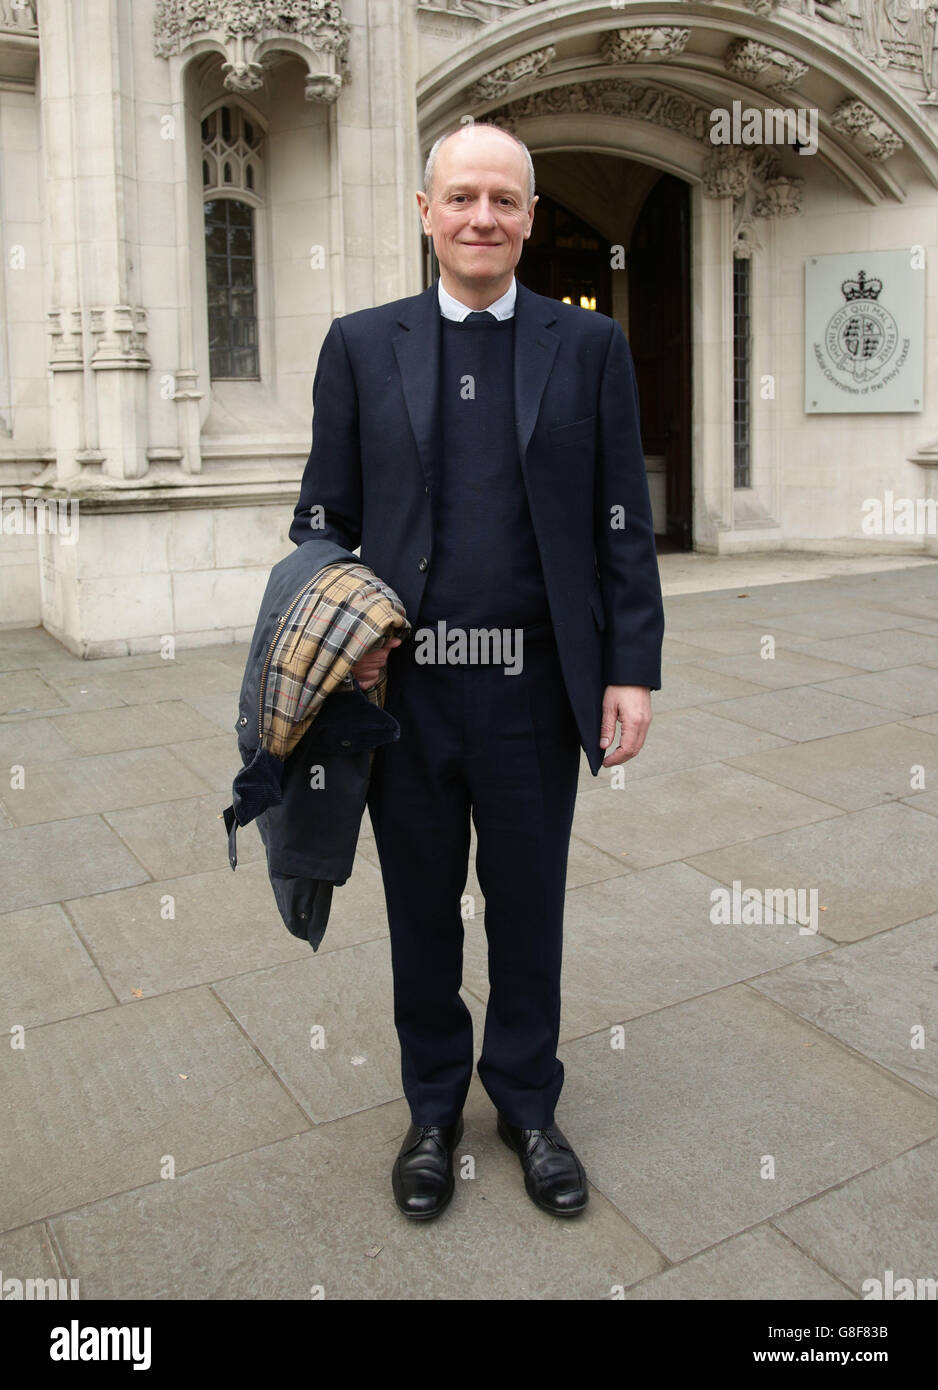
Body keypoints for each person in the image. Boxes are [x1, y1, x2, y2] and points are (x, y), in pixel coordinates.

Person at [289, 121, 664, 1220]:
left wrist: (628, 668)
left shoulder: (584, 347)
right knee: (420, 911)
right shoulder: (361, 345)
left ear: (528, 219)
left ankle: (529, 1103)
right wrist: (329, 616)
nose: (481, 217)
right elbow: (321, 515)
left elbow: (621, 527)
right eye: (460, 198)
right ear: (425, 213)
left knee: (526, 905)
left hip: (534, 690)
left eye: (503, 199)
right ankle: (433, 1107)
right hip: (397, 693)